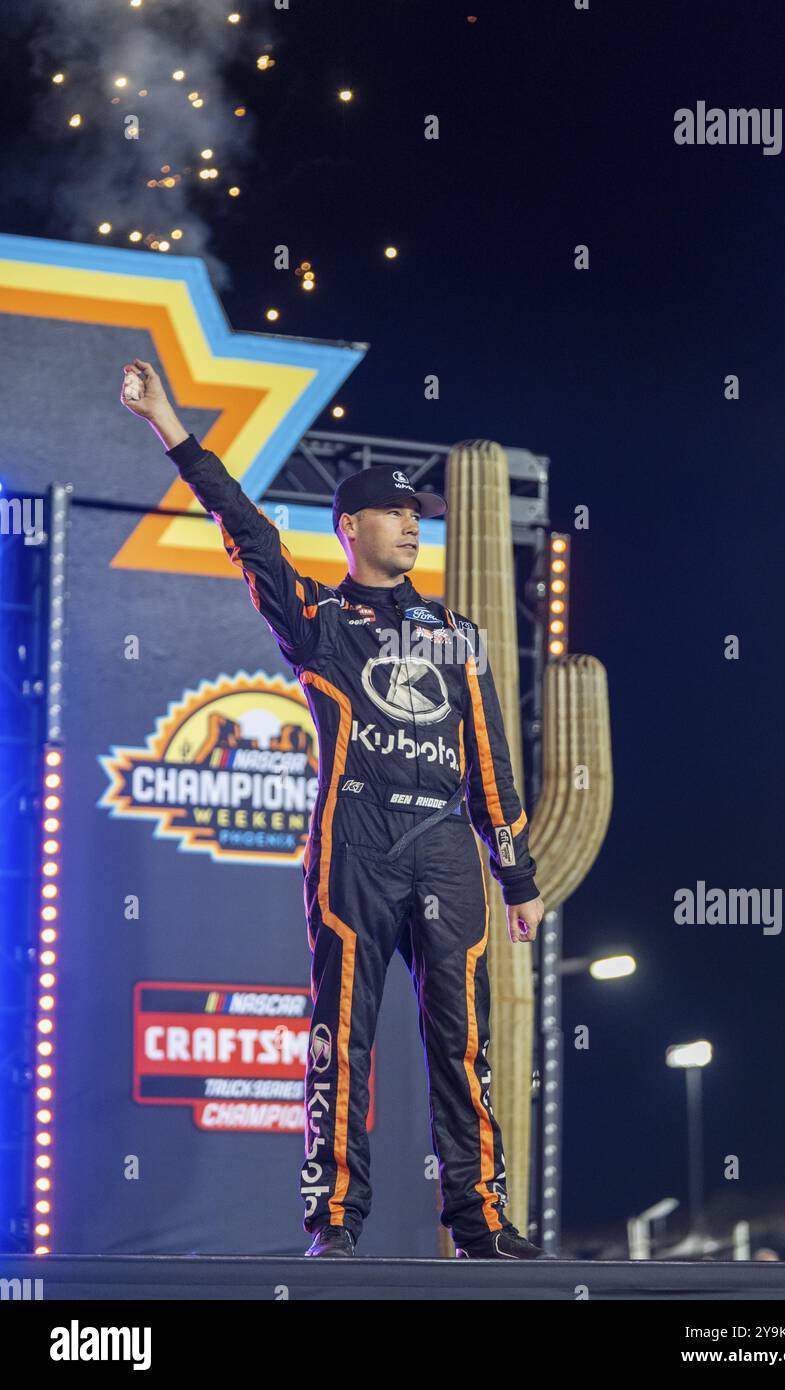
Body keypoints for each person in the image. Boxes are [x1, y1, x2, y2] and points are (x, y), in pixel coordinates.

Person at [122, 358, 550, 1260]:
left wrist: (518, 874)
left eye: (418, 516)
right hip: (353, 841)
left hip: (445, 847)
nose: (411, 527)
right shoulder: (316, 618)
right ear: (349, 526)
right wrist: (171, 425)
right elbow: (241, 530)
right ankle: (334, 1224)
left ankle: (479, 1219)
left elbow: (489, 758)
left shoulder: (457, 636)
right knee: (339, 1038)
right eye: (395, 514)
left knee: (461, 1044)